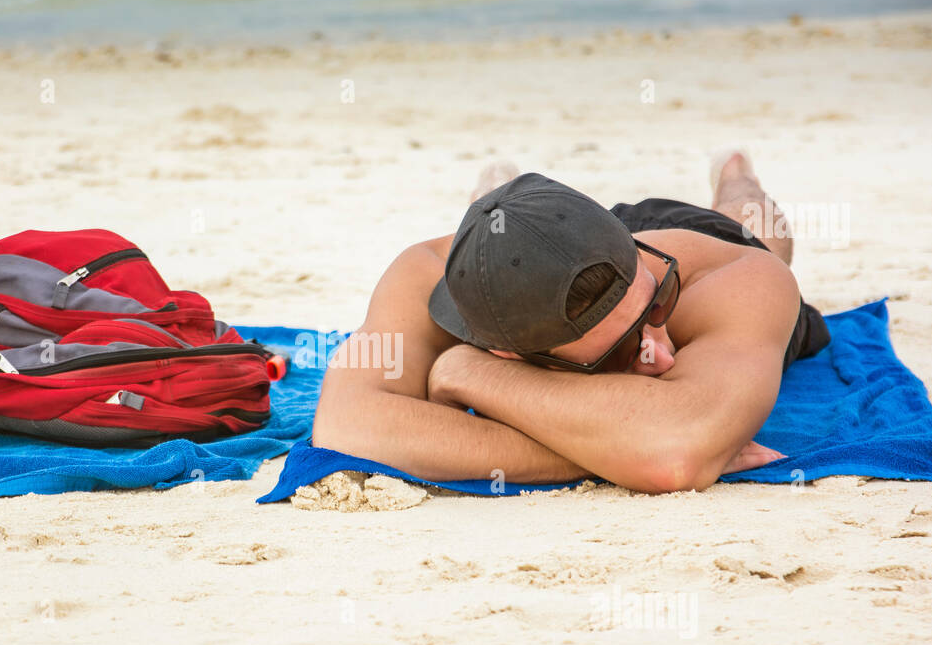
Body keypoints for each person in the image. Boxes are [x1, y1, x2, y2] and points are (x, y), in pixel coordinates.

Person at [311, 153, 830, 493]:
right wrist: (617, 451)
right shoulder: (427, 274)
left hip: (637, 242)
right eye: (623, 350)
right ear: (508, 354)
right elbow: (347, 425)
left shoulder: (733, 276)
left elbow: (673, 455)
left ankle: (737, 172)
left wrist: (464, 374)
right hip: (535, 264)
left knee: (759, 233)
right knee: (496, 228)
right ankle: (497, 191)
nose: (663, 353)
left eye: (657, 306)